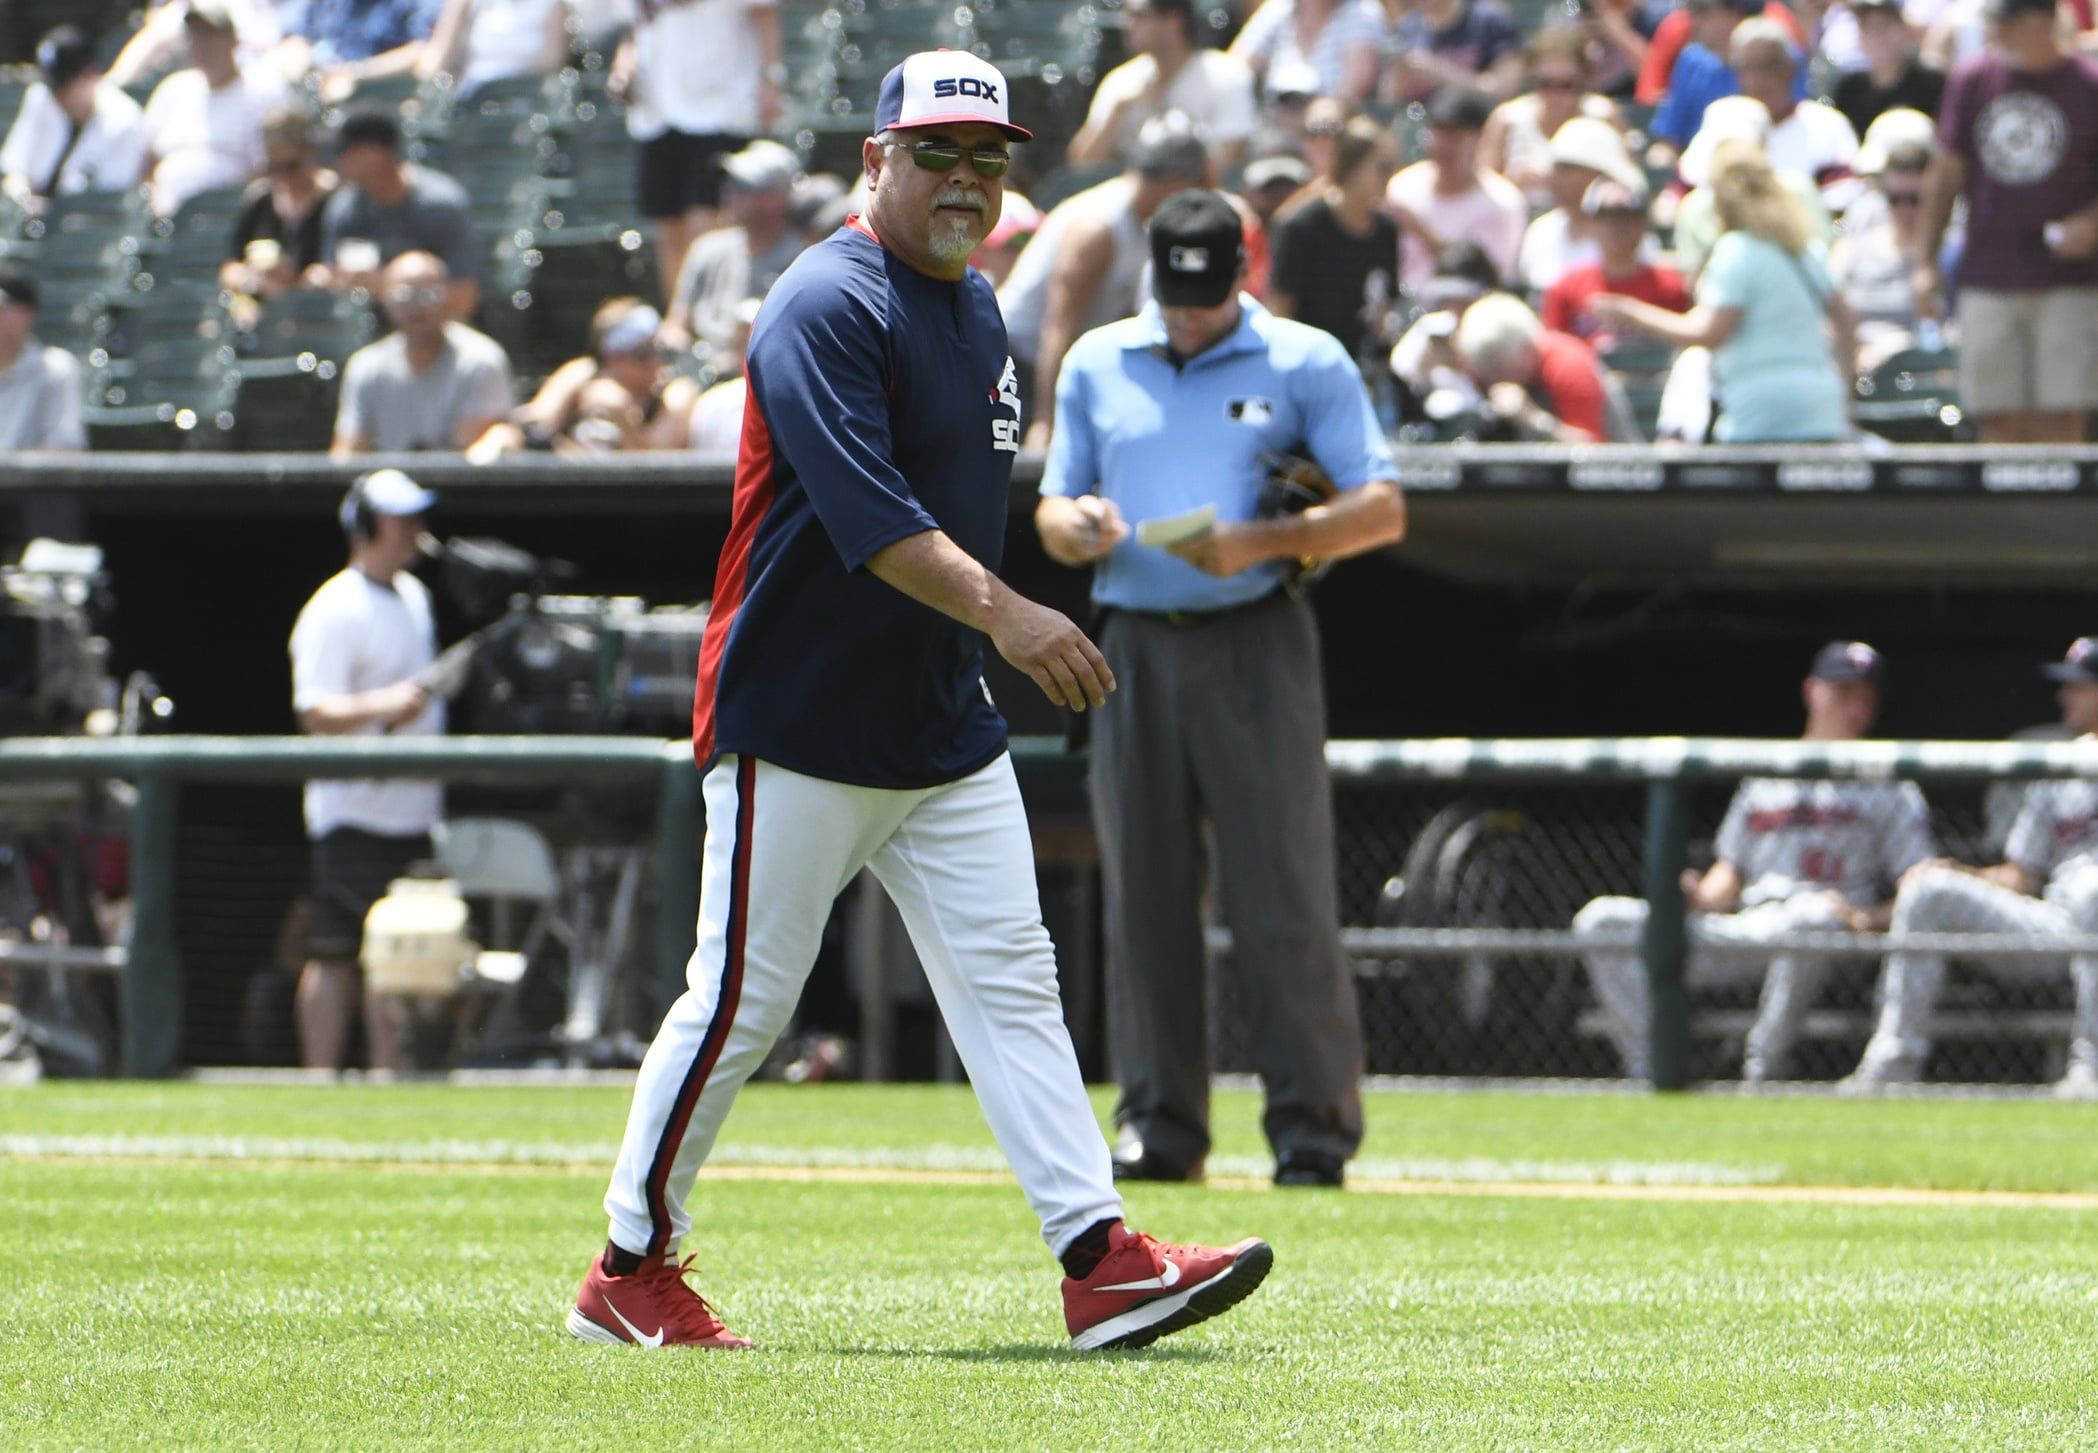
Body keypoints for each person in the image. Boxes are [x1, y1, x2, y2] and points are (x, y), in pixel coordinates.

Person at [568, 51, 1271, 1355]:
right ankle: (625, 1267)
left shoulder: (977, 304)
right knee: (741, 1000)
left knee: (1013, 983)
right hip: (801, 715)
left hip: (939, 722)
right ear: (876, 158)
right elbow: (874, 520)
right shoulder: (823, 300)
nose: (964, 178)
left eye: (987, 156)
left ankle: (1098, 1259)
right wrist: (1011, 614)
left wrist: (994, 622)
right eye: (936, 150)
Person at [1037, 187, 1406, 1190]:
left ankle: (1312, 1127)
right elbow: (1053, 509)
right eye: (1175, 297)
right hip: (1132, 641)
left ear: (1243, 275)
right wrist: (1078, 528)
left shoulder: (1305, 359)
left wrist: (1266, 539)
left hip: (1256, 637)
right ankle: (1159, 1124)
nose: (1191, 317)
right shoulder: (1098, 359)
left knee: (1279, 888)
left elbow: (1381, 508)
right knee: (1144, 890)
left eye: (1208, 298)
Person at [1574, 642, 1936, 1083]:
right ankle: (1656, 1068)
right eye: (1844, 693)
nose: (1856, 708)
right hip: (1749, 926)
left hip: (1833, 938)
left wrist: (1865, 918)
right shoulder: (1765, 774)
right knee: (1600, 921)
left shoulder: (1891, 784)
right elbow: (1729, 874)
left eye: (1867, 698)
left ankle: (1760, 1072)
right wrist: (1695, 896)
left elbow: (1920, 890)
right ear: (1812, 692)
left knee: (1813, 917)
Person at [1847, 638, 2098, 1097]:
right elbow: (2022, 876)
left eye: (2079, 686)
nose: (2065, 695)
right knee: (1928, 890)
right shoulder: (2060, 766)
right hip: (2056, 926)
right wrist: (1962, 874)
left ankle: (2092, 1072)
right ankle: (1890, 1069)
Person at [286, 468, 445, 1075]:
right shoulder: (334, 606)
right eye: (401, 519)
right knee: (335, 953)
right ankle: (320, 1080)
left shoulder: (416, 597)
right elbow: (313, 711)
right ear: (366, 525)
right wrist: (387, 705)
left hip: (414, 812)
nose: (414, 530)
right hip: (353, 814)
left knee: (397, 961)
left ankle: (387, 1079)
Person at [1917, 0, 2098, 445]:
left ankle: (2057, 498)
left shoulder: (2088, 85)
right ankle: (2003, 498)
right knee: (1996, 417)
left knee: (2061, 418)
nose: (1995, 35)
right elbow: (1946, 173)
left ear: (2040, 23)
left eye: (2005, 24)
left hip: (2068, 280)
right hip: (1989, 274)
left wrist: (2091, 224)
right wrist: (1924, 261)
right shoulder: (1973, 80)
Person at [1592, 147, 1854, 441]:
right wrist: (1845, 390)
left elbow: (1709, 332)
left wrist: (1631, 313)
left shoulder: (1736, 250)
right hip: (1823, 409)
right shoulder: (1802, 248)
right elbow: (1846, 317)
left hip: (1762, 413)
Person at [999, 119, 1214, 447]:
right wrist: (1047, 421)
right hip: (1014, 365)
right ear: (1178, 180)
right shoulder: (1099, 227)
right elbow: (1059, 327)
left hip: (1055, 364)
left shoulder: (1143, 224)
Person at [611, 0, 785, 303]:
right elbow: (634, 26)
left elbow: (764, 13)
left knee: (709, 226)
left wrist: (769, 80)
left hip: (720, 104)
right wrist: (623, 65)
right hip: (656, 109)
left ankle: (714, 312)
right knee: (668, 228)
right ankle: (680, 317)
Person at [332, 251, 515, 455]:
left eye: (429, 295)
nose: (416, 308)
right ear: (384, 298)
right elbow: (347, 454)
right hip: (386, 474)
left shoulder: (481, 362)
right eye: (403, 296)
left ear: (448, 297)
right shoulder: (365, 366)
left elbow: (470, 460)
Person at [470, 296, 700, 457]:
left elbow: (660, 470)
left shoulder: (675, 395)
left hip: (641, 503)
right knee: (501, 437)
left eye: (659, 350)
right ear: (611, 358)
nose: (655, 362)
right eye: (642, 354)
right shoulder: (582, 373)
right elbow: (537, 427)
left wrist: (622, 418)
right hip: (574, 490)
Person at [309, 108, 479, 318]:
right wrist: (323, 281)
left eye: (344, 151)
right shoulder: (345, 208)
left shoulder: (440, 205)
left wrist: (395, 290)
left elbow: (464, 298)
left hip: (432, 330)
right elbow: (333, 277)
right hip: (364, 329)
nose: (336, 162)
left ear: (375, 153)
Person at [138, 0, 290, 217]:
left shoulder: (263, 92)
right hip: (164, 220)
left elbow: (270, 172)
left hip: (230, 217)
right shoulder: (172, 89)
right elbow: (146, 164)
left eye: (210, 34)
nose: (202, 44)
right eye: (195, 35)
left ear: (233, 38)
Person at [1266, 115, 1400, 362]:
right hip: (1308, 363)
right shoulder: (1301, 228)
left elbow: (1384, 307)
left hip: (1362, 364)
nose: (1389, 176)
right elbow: (1282, 313)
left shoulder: (1386, 230)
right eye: (1382, 167)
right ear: (1352, 166)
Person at [1068, 0, 1260, 169]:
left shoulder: (1226, 74)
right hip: (1136, 192)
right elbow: (1082, 164)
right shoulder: (1121, 81)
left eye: (1139, 15)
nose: (1126, 24)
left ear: (1173, 21)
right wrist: (1118, 112)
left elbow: (1230, 158)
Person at [663, 140, 806, 364]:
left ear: (778, 198)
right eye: (729, 183)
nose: (729, 193)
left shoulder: (802, 259)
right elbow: (676, 324)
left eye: (743, 186)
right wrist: (674, 348)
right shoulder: (707, 249)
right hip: (701, 370)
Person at [1385, 84, 1528, 296]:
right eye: (1438, 131)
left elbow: (1490, 279)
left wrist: (1421, 231)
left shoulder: (1503, 203)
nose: (1442, 144)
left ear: (1478, 139)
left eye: (1454, 134)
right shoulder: (1402, 187)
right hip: (1403, 305)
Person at [0, 26, 148, 214]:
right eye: (53, 86)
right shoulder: (42, 96)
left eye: (63, 86)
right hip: (28, 215)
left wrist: (51, 215)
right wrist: (24, 200)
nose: (56, 95)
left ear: (89, 75)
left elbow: (108, 206)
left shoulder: (124, 121)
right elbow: (14, 171)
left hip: (82, 224)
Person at [1454, 290, 1635, 440]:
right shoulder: (1486, 374)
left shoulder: (1568, 365)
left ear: (1526, 349)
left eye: (1499, 368)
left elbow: (1594, 451)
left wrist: (1531, 418)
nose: (1496, 380)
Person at [1829, 115, 1937, 367]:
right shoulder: (1861, 218)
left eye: (1914, 199)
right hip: (1858, 359)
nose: (1905, 210)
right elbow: (1832, 287)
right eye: (1894, 198)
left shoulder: (1948, 249)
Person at [1479, 27, 1627, 211]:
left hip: (1586, 220)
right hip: (1518, 218)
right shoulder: (1507, 119)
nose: (1554, 95)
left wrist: (1569, 183)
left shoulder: (1602, 116)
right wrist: (1509, 183)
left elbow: (1625, 184)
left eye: (1566, 85)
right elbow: (1481, 186)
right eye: (1545, 84)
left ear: (1583, 82)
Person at [1543, 177, 1691, 349]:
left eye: (1626, 216)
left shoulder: (1672, 284)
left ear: (1643, 224)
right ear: (1590, 224)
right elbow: (1554, 347)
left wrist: (1634, 315)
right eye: (1605, 217)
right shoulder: (1566, 286)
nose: (1616, 227)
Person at [1727, 19, 1862, 198]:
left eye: (1767, 65)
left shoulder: (1828, 125)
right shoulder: (1723, 127)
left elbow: (1844, 197)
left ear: (1789, 68)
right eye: (1746, 68)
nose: (1757, 80)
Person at [1514, 114, 1645, 291]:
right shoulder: (1540, 231)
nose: (1557, 178)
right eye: (1556, 169)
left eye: (1569, 169)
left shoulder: (1631, 235)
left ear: (1599, 174)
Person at [221, 109, 338, 306]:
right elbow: (229, 267)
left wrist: (308, 280)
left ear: (310, 153)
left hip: (317, 308)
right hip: (263, 309)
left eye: (291, 166)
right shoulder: (260, 200)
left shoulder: (335, 200)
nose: (283, 177)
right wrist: (252, 279)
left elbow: (345, 266)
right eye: (274, 167)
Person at [1229, 0, 1387, 106]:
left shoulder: (1362, 11)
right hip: (1274, 127)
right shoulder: (1279, 8)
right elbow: (1233, 71)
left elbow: (1353, 91)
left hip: (1329, 131)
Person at [0, 266, 87, 453]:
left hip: (28, 473)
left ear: (26, 314)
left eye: (3, 310)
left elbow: (64, 447)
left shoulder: (56, 368)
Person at [414, 0, 571, 100]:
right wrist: (423, 92)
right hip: (470, 97)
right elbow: (439, 56)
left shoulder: (553, 5)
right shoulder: (465, 3)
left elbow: (551, 64)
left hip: (526, 98)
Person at [1833, 0, 1947, 136]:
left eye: (1885, 25)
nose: (1878, 36)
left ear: (1903, 30)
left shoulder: (1933, 83)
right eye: (1868, 28)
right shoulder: (1849, 91)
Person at [1387, 0, 1528, 104]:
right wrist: (1396, 77)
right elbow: (1388, 101)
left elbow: (1504, 91)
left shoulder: (1489, 21)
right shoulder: (1408, 28)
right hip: (1420, 124)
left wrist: (1439, 72)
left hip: (1474, 125)